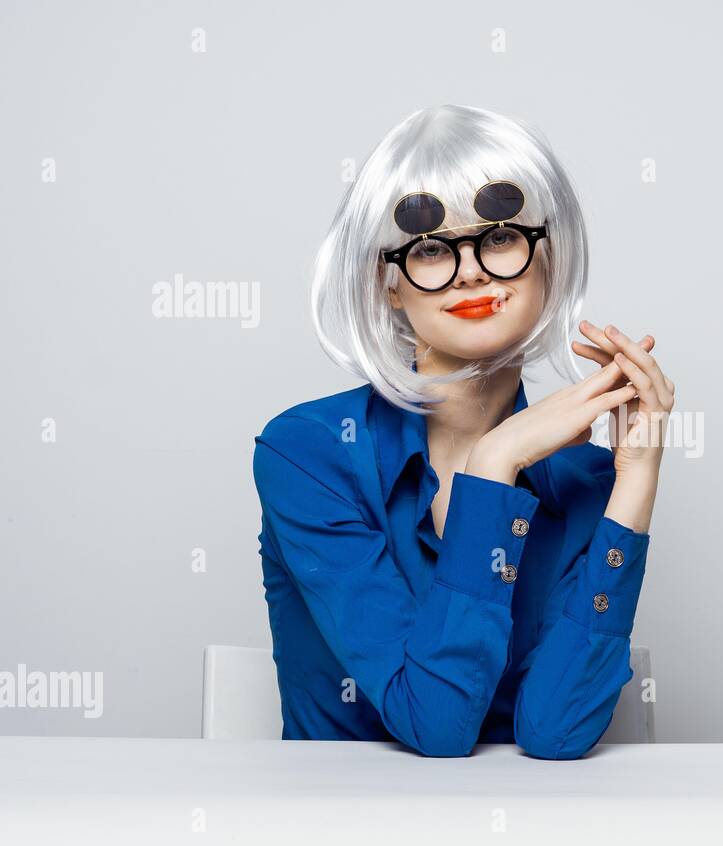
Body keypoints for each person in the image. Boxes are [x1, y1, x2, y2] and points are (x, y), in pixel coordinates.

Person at [251, 105, 674, 759]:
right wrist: (493, 464)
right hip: (337, 827)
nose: (471, 270)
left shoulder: (586, 480)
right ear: (388, 284)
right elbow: (436, 727)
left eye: (500, 237)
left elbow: (555, 733)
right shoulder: (310, 456)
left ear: (548, 259)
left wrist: (637, 476)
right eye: (428, 249)